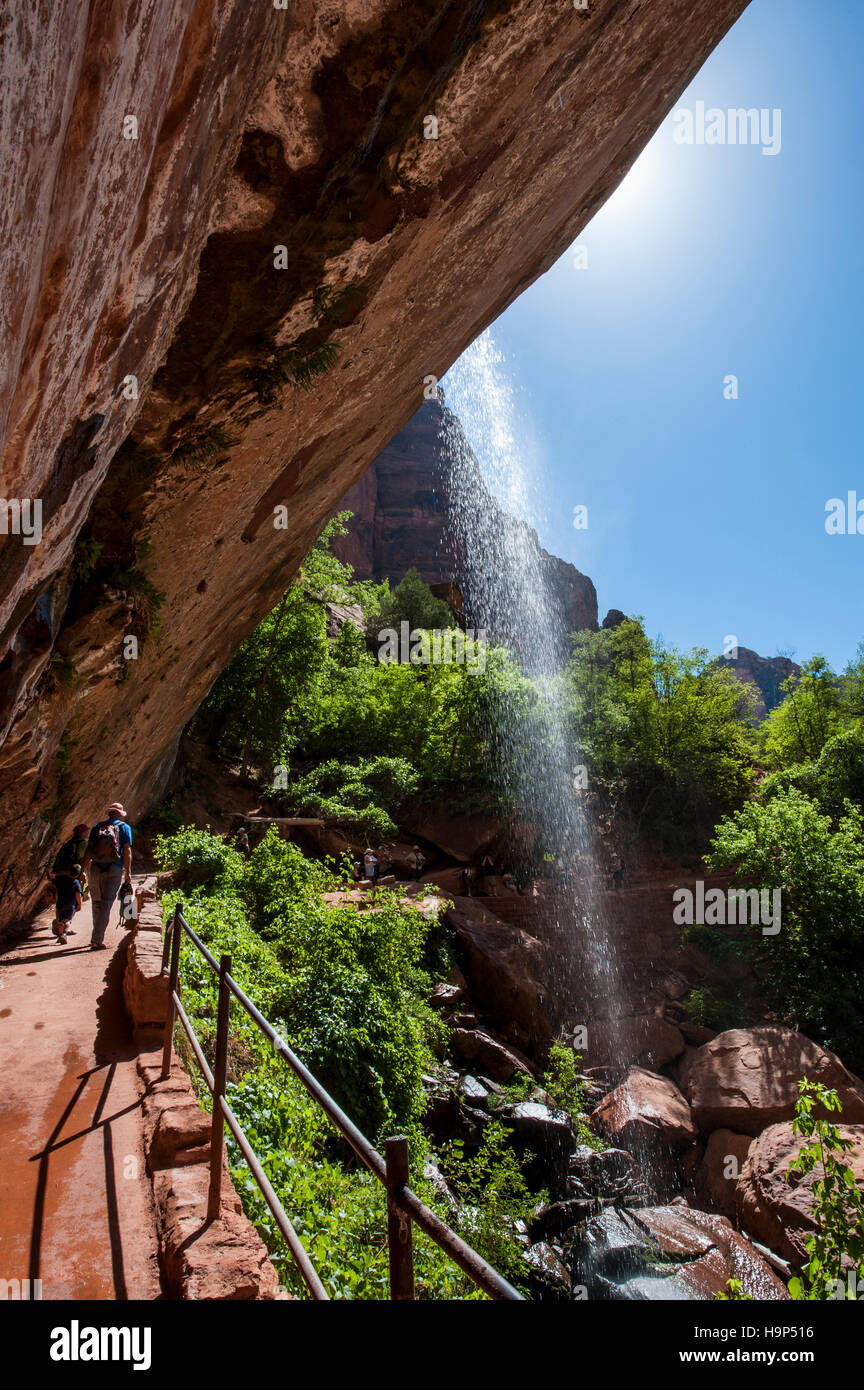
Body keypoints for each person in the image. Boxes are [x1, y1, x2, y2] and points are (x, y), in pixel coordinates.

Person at [81, 802, 132, 950]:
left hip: (96, 868)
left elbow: (89, 849)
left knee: (97, 902)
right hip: (114, 868)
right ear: (120, 815)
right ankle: (96, 939)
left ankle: (96, 936)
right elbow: (127, 851)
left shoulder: (98, 827)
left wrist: (82, 871)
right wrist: (127, 872)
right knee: (107, 903)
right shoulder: (124, 828)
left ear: (109, 813)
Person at [52, 863, 83, 945]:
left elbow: (52, 878)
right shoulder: (76, 883)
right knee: (67, 921)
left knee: (60, 921)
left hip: (60, 904)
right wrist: (79, 904)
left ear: (68, 872)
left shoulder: (60, 880)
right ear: (77, 875)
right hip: (71, 905)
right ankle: (64, 934)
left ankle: (61, 935)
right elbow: (78, 894)